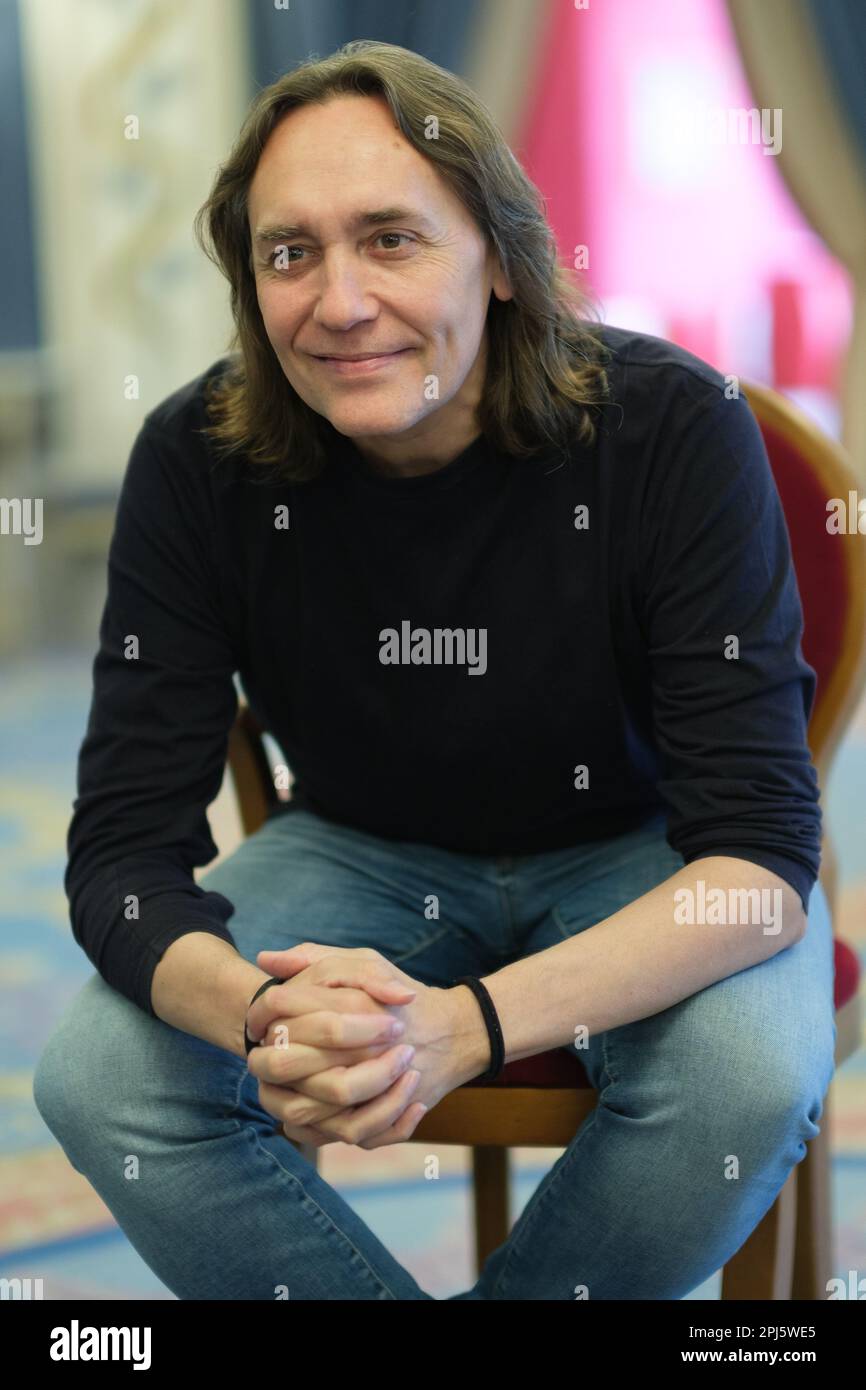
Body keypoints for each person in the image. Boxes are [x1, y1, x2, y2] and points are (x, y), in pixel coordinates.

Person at [33, 40, 835, 1300]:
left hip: (649, 847)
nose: (337, 301)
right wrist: (256, 1011)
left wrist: (461, 1024)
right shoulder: (196, 456)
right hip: (353, 845)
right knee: (98, 1076)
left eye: (390, 238)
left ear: (505, 260)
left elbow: (757, 865)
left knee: (740, 1074)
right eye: (288, 252)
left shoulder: (675, 428)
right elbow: (123, 858)